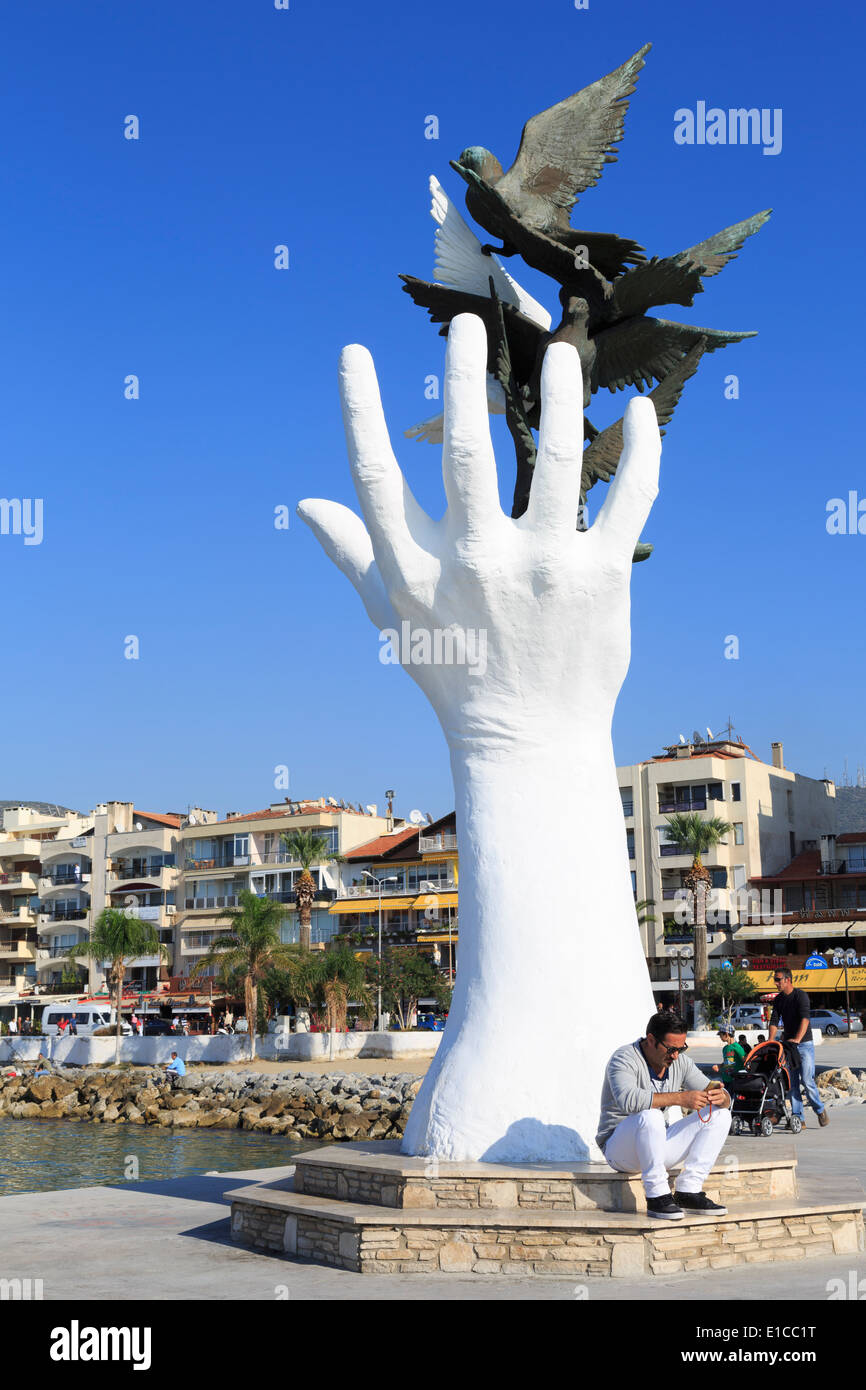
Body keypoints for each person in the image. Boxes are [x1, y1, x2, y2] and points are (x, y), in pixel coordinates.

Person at [597, 1009, 732, 1220]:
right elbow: (628, 1100)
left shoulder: (680, 1062)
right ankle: (657, 1196)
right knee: (651, 1116)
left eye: (681, 1048)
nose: (676, 1056)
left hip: (656, 1146)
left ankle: (689, 1191)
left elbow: (711, 1089)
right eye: (670, 1049)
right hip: (620, 1150)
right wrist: (680, 1098)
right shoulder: (623, 1058)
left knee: (721, 1115)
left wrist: (721, 1097)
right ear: (651, 1040)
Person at [768, 968, 828, 1127]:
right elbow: (774, 1021)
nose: (776, 982)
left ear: (787, 980)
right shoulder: (779, 999)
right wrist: (769, 1041)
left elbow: (805, 1019)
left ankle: (820, 1110)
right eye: (775, 979)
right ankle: (798, 1118)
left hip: (804, 1044)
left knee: (807, 1081)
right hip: (788, 1046)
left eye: (778, 979)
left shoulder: (800, 996)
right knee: (792, 1084)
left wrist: (797, 1039)